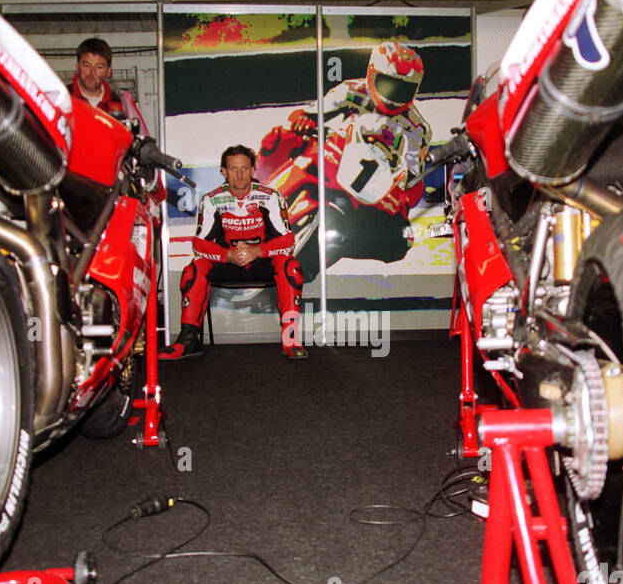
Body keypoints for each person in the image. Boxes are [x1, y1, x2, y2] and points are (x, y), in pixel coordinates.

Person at [258, 41, 432, 281]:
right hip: (334, 156)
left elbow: (413, 177)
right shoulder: (350, 91)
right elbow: (306, 114)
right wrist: (304, 121)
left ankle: (311, 263)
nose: (392, 97)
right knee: (278, 138)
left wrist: (401, 190)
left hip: (372, 187)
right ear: (372, 74)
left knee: (398, 241)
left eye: (402, 90)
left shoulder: (417, 128)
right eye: (387, 85)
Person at [159, 145, 306, 360]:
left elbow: (287, 240)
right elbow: (199, 245)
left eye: (245, 168)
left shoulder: (271, 196)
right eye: (233, 169)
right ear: (223, 171)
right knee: (194, 268)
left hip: (260, 263)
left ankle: (290, 338)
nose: (239, 174)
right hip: (226, 263)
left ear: (253, 170)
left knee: (290, 266)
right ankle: (190, 340)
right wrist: (227, 255)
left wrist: (257, 251)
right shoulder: (211, 200)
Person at [71, 37, 148, 130]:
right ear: (77, 67)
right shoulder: (61, 100)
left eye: (99, 67)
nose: (92, 72)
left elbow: (140, 138)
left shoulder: (122, 101)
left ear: (108, 71)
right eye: (86, 65)